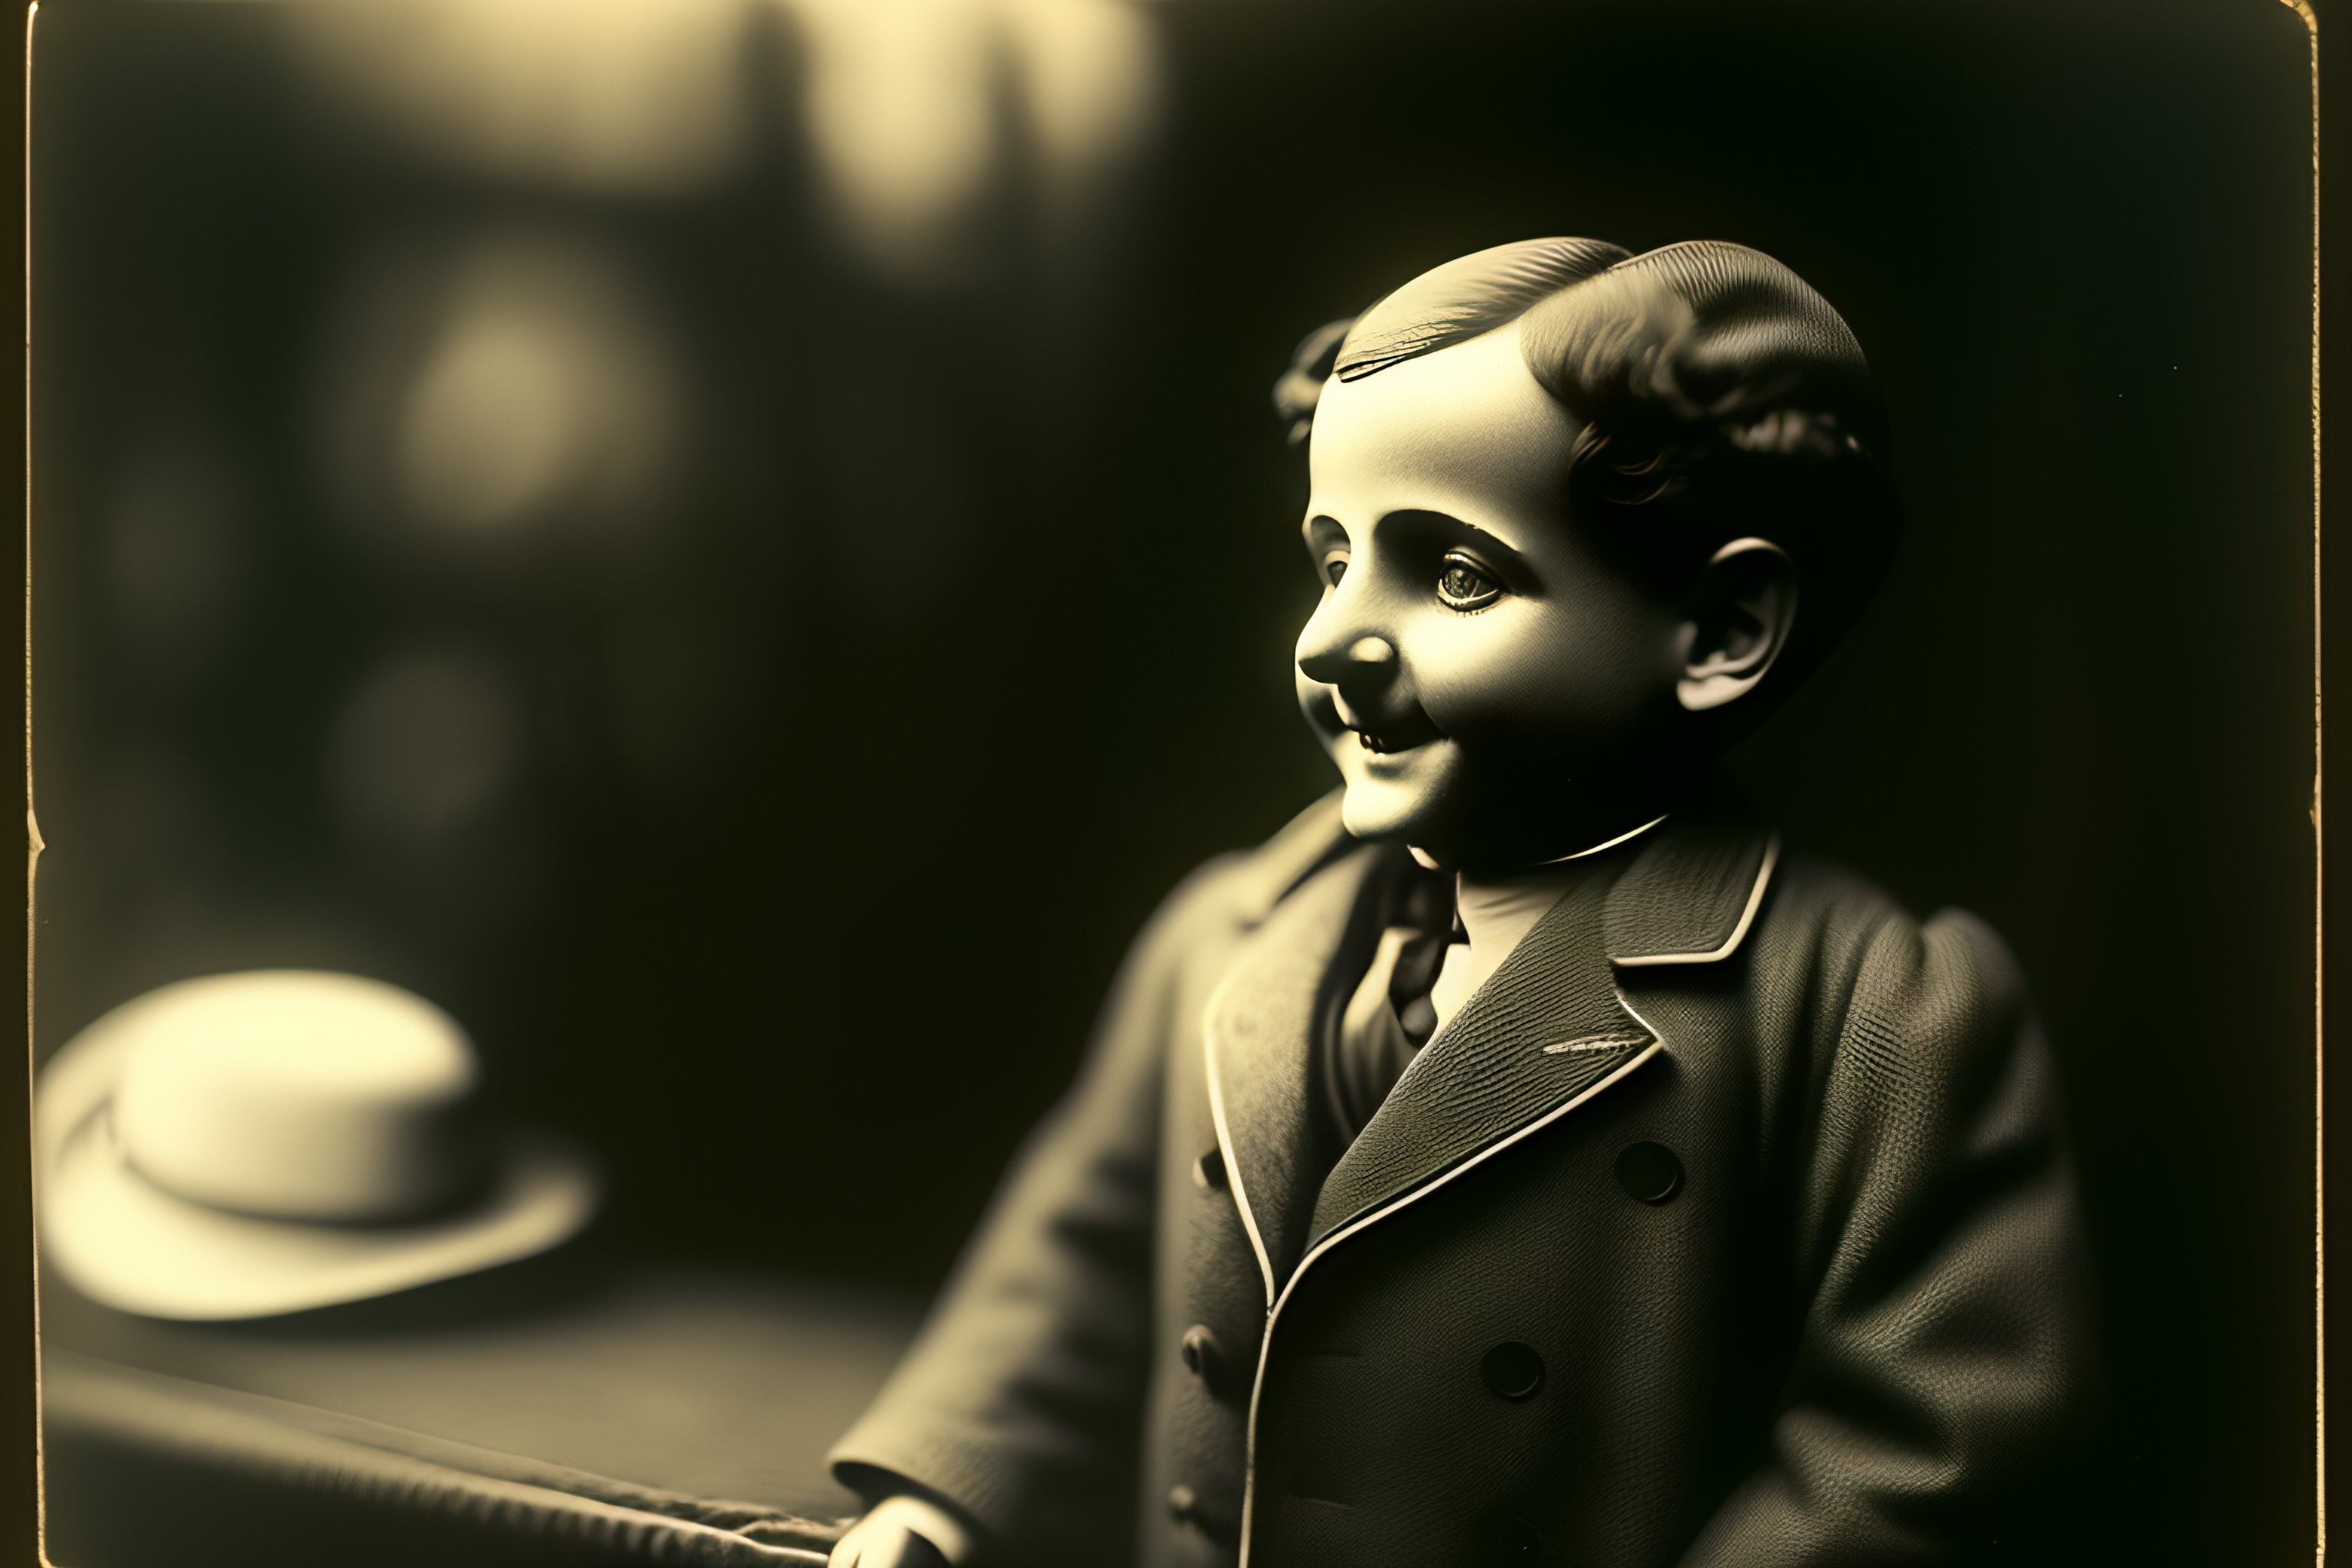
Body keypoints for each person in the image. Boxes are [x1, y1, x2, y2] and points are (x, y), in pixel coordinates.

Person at [825, 237, 2096, 1568]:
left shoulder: (1871, 1016)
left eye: (1454, 575)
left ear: (1721, 629)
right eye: (1332, 562)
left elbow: (1917, 1455)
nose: (1328, 643)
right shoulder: (1225, 938)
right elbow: (1076, 1277)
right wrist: (947, 1496)